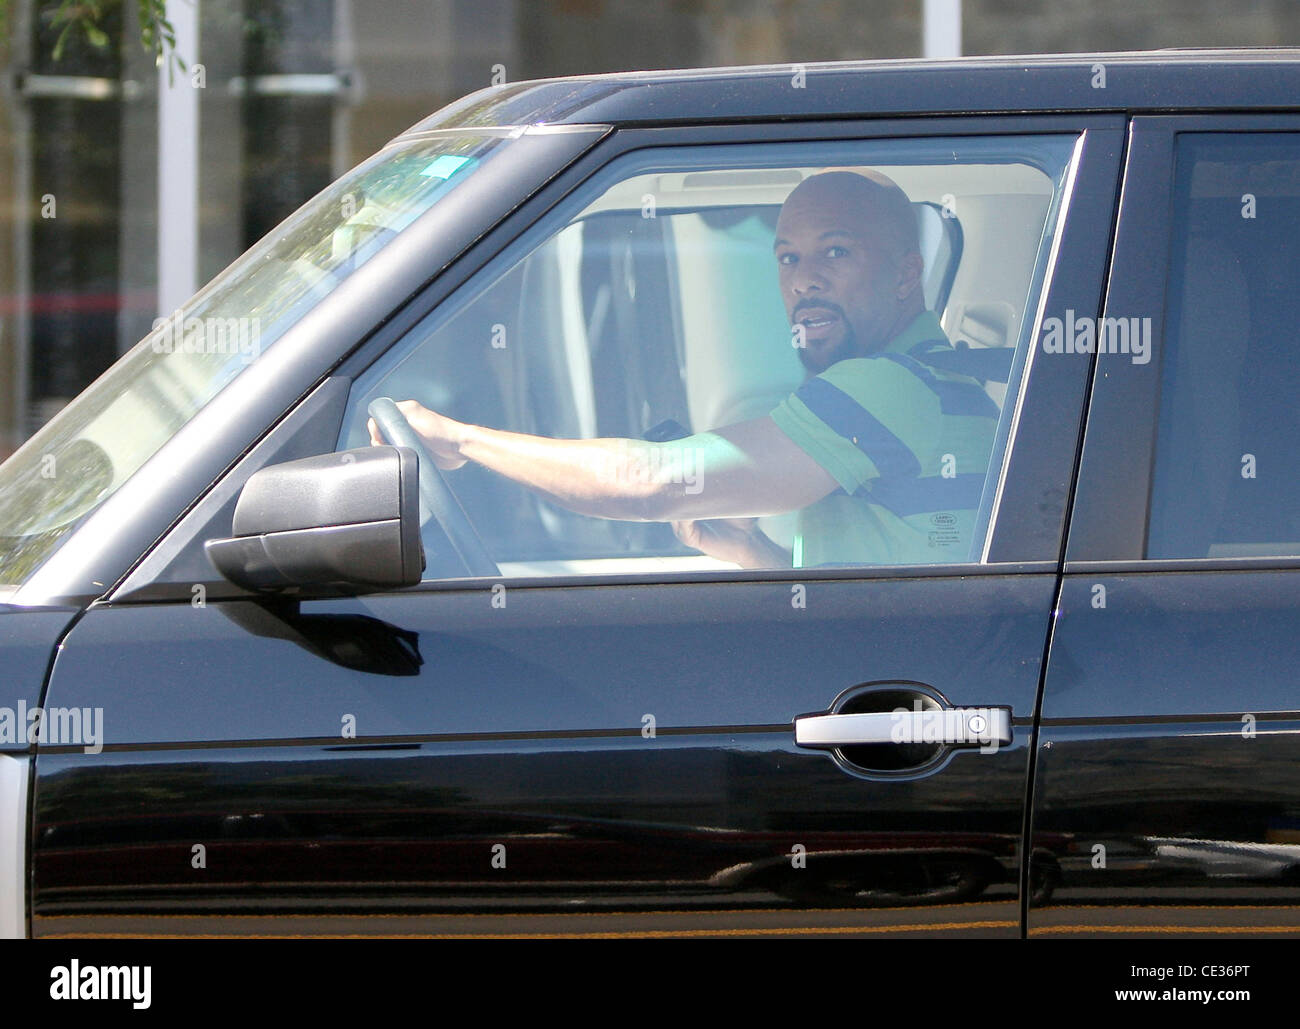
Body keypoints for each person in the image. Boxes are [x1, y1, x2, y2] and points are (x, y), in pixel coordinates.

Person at [369, 170, 998, 568]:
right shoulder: (932, 383)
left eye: (836, 251)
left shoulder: (890, 389)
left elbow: (651, 480)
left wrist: (461, 439)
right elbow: (872, 598)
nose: (804, 279)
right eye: (787, 258)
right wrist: (752, 551)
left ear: (906, 274)